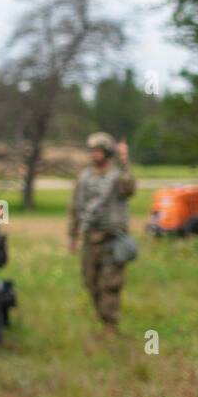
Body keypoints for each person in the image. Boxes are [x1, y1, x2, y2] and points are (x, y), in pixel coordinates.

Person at [68, 132, 136, 332]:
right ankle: (103, 318)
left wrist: (125, 161)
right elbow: (75, 208)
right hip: (91, 240)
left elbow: (130, 189)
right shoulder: (84, 178)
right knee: (90, 283)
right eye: (92, 151)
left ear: (106, 153)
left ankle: (110, 326)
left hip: (111, 239)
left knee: (110, 285)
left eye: (97, 151)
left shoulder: (117, 176)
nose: (93, 154)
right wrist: (72, 236)